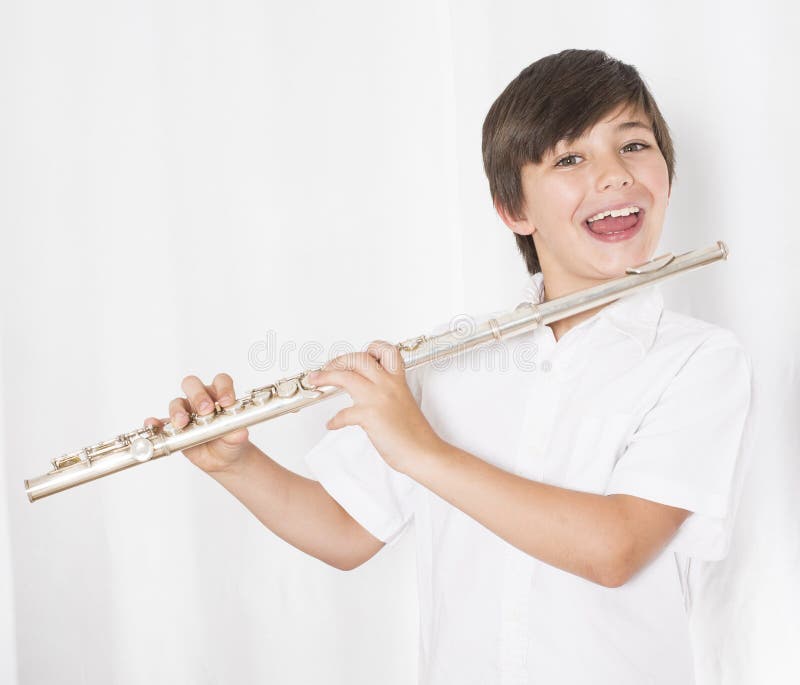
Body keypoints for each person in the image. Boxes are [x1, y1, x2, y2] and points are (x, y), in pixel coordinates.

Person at [144, 49, 752, 684]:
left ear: (666, 176)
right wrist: (236, 463)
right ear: (514, 209)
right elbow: (347, 531)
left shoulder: (699, 361)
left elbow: (615, 549)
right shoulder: (455, 358)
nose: (614, 176)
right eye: (570, 158)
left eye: (633, 146)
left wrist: (421, 450)